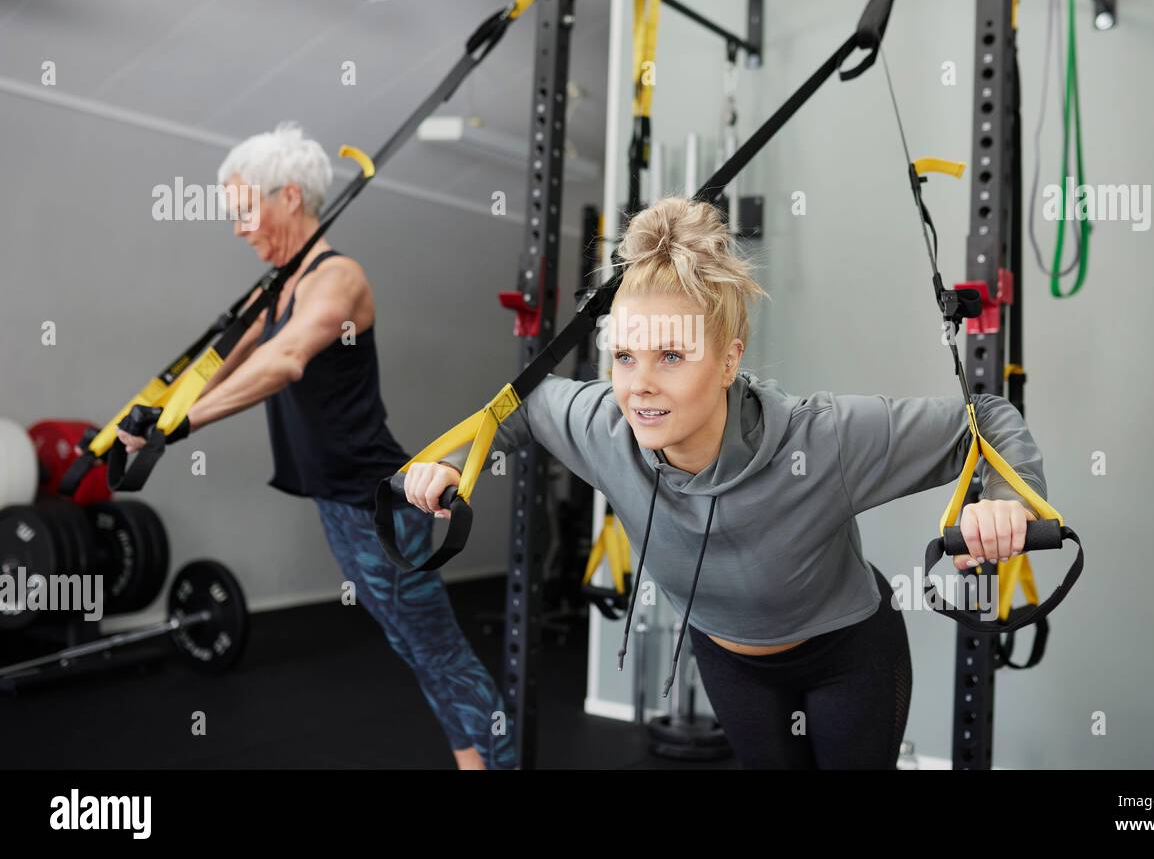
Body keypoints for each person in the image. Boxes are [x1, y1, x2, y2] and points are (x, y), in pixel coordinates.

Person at [403, 196, 1047, 769]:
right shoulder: (602, 423)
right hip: (730, 663)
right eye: (624, 357)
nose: (640, 385)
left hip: (849, 656)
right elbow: (516, 410)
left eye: (672, 358)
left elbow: (983, 420)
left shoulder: (819, 440)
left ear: (729, 360)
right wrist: (457, 464)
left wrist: (1003, 500)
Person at [116, 123, 515, 770]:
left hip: (382, 505)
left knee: (440, 652)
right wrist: (148, 415)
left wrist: (181, 427)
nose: (239, 227)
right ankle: (472, 764)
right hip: (339, 504)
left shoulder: (338, 280)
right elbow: (217, 362)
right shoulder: (273, 288)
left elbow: (287, 358)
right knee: (414, 650)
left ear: (290, 198)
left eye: (246, 211)